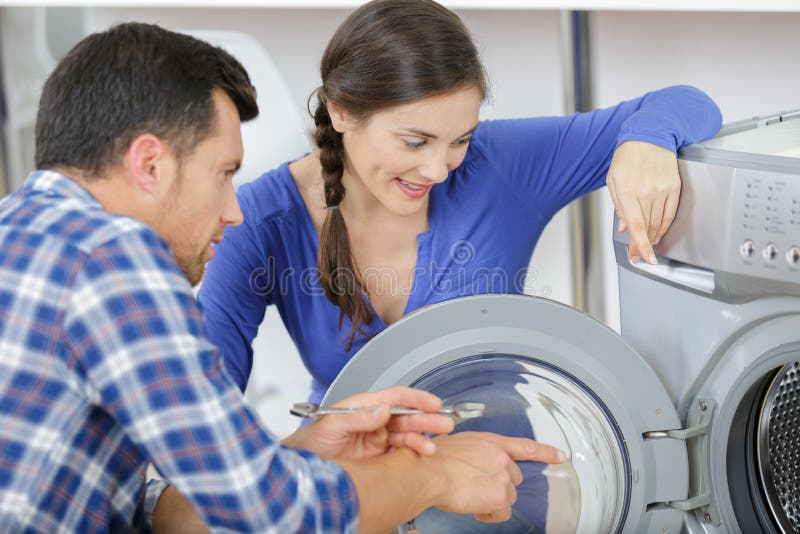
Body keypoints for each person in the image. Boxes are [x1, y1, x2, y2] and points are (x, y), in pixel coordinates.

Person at [0, 22, 567, 533]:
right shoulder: (114, 261)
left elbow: (127, 506)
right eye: (223, 174)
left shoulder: (20, 233)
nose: (234, 210)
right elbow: (270, 517)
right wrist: (432, 477)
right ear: (150, 164)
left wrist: (299, 450)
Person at [197, 0, 723, 531]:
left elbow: (686, 102)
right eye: (415, 141)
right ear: (340, 112)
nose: (437, 169)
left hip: (492, 500)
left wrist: (644, 142)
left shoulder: (500, 167)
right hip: (350, 500)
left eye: (459, 140)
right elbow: (201, 418)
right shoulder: (257, 220)